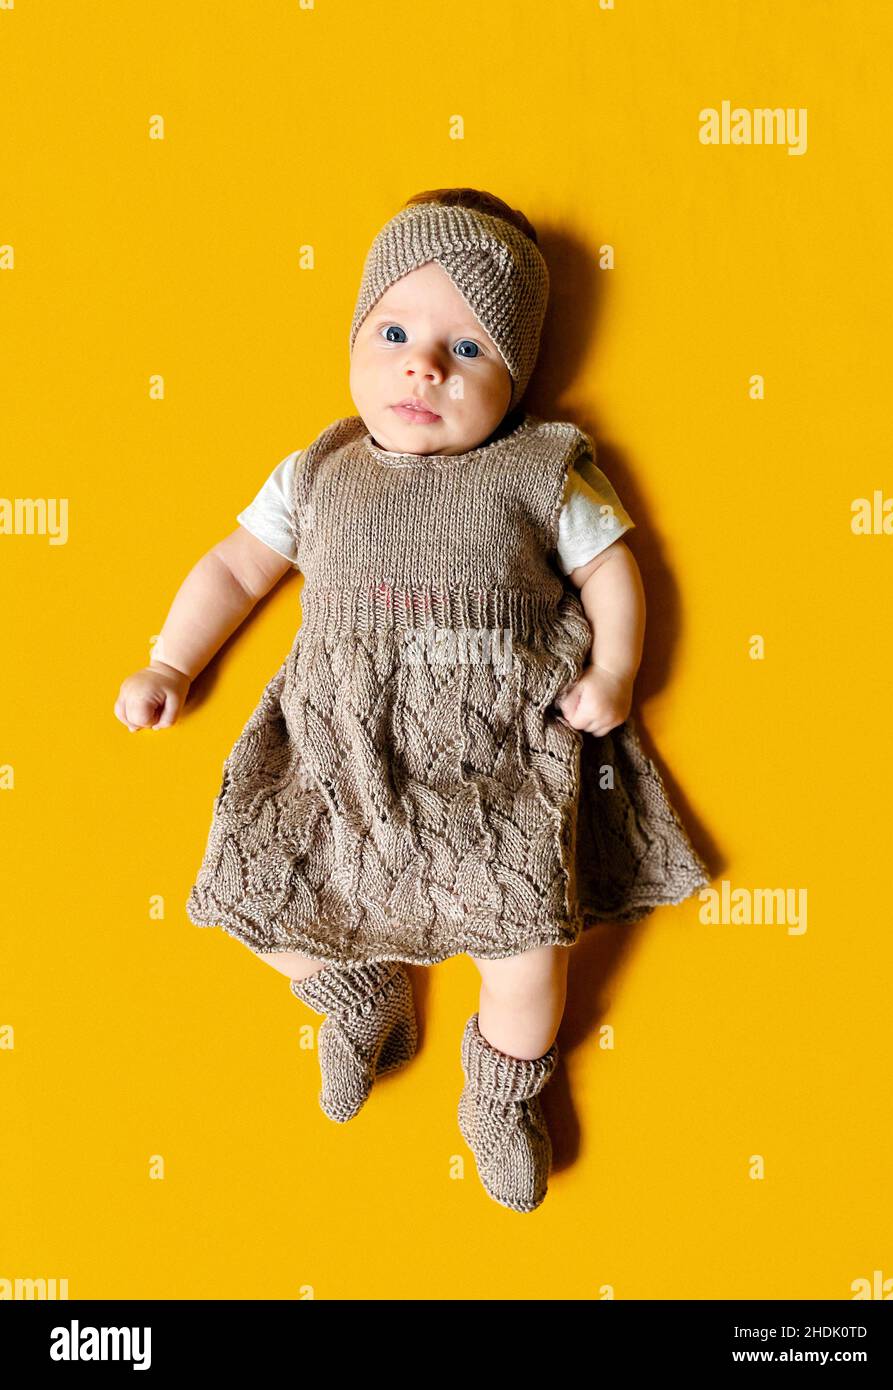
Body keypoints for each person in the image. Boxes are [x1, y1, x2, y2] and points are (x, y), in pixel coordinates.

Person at [114, 188, 710, 1214]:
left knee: (525, 953)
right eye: (393, 331)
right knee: (251, 892)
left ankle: (499, 1088)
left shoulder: (539, 470)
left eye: (466, 347)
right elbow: (232, 569)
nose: (421, 365)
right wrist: (170, 662)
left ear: (515, 379)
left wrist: (611, 673)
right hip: (339, 749)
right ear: (354, 341)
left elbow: (616, 570)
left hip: (490, 761)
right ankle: (354, 989)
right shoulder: (318, 470)